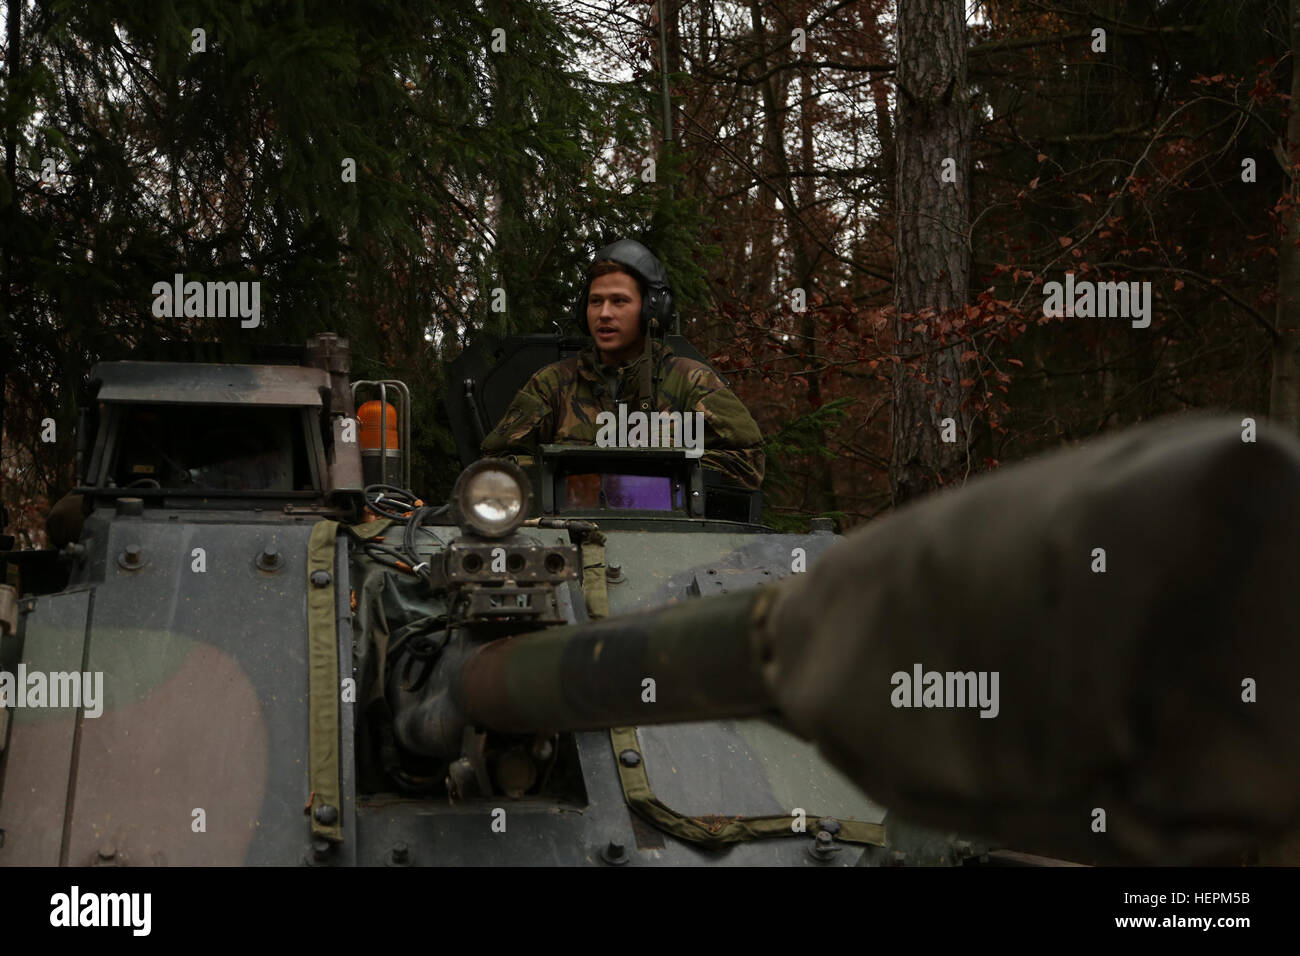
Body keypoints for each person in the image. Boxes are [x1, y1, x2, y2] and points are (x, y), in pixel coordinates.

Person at [480, 239, 764, 490]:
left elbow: (748, 463)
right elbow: (494, 467)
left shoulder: (692, 382)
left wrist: (666, 473)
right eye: (595, 301)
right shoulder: (552, 384)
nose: (604, 314)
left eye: (619, 301)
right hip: (569, 535)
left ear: (652, 309)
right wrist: (562, 476)